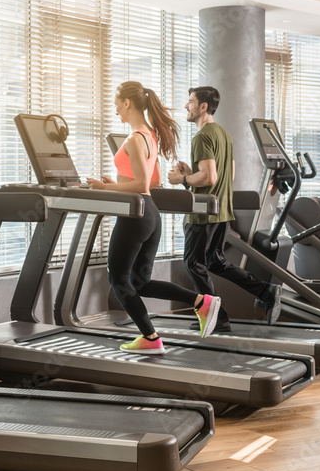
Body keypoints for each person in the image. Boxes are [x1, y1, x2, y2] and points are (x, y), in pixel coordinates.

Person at [86, 81, 221, 352]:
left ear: (127, 103)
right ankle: (201, 302)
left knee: (118, 279)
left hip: (135, 216)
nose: (116, 110)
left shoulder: (135, 138)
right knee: (141, 282)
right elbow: (155, 180)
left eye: (117, 104)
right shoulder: (150, 136)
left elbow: (141, 184)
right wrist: (118, 183)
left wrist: (104, 187)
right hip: (151, 215)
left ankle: (150, 338)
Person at [168, 86, 281, 330]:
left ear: (203, 107)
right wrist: (192, 174)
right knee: (215, 262)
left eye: (190, 102)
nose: (186, 106)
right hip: (221, 211)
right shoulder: (223, 134)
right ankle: (266, 292)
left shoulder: (202, 137)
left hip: (202, 214)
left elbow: (210, 177)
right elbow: (226, 174)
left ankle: (217, 317)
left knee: (193, 263)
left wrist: (181, 179)